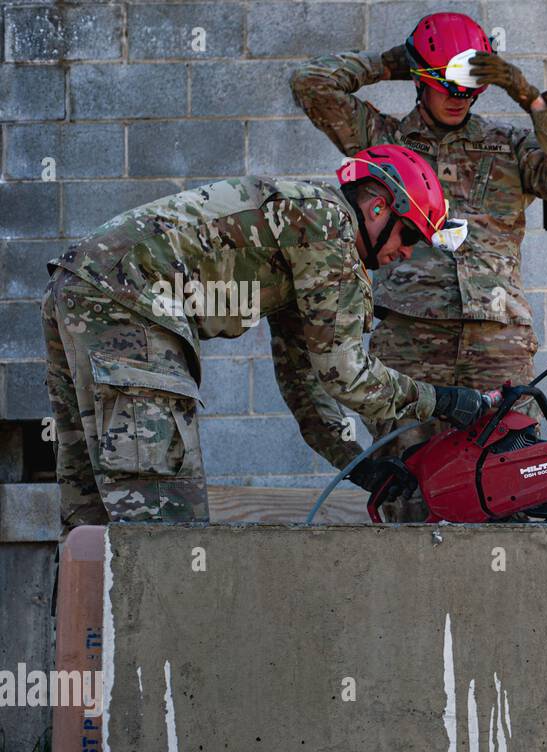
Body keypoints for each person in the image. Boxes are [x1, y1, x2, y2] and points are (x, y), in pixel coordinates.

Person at [41, 144, 488, 531]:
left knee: (92, 506)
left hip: (82, 288)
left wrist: (360, 465)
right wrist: (444, 401)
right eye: (409, 233)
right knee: (162, 517)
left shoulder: (303, 233)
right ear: (377, 206)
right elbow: (349, 376)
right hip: (128, 299)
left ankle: (91, 628)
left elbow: (308, 384)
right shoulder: (330, 228)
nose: (407, 252)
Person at [291, 10, 547, 518]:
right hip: (409, 344)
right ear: (421, 81)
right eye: (445, 85)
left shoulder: (509, 146)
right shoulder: (383, 141)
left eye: (468, 89)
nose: (458, 98)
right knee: (408, 487)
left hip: (496, 341)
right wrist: (398, 62)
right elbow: (312, 83)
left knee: (513, 485)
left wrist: (531, 98)